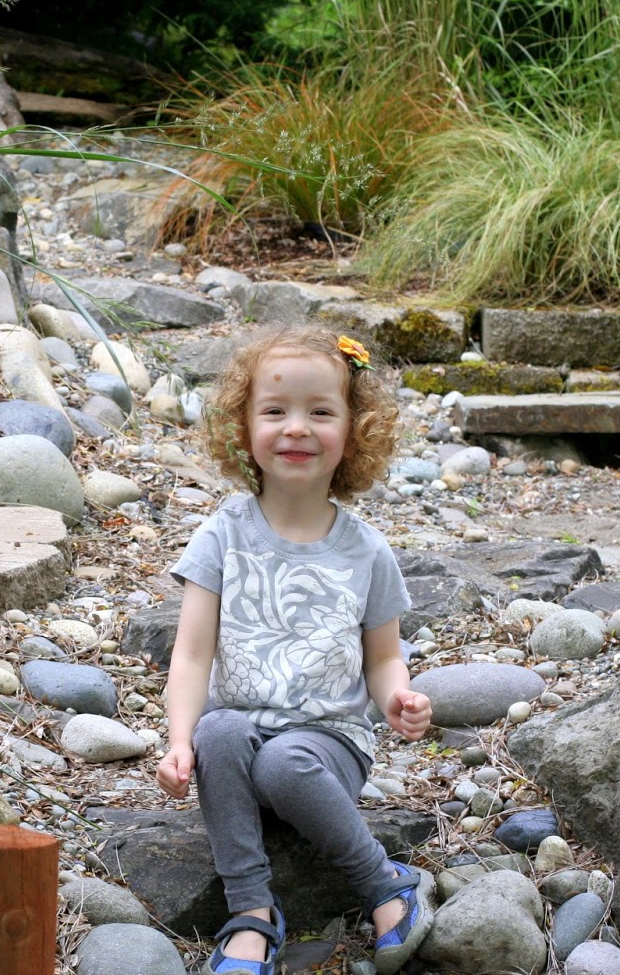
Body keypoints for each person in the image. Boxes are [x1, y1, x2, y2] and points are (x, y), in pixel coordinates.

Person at [154, 323, 436, 975]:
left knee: (285, 762)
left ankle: (383, 883)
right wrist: (179, 742)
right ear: (243, 426)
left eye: (321, 412)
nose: (297, 428)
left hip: (328, 745)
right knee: (219, 730)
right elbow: (192, 656)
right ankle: (252, 912)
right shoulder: (223, 534)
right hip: (237, 746)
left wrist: (398, 696)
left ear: (356, 429)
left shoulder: (365, 550)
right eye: (275, 411)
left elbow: (382, 656)